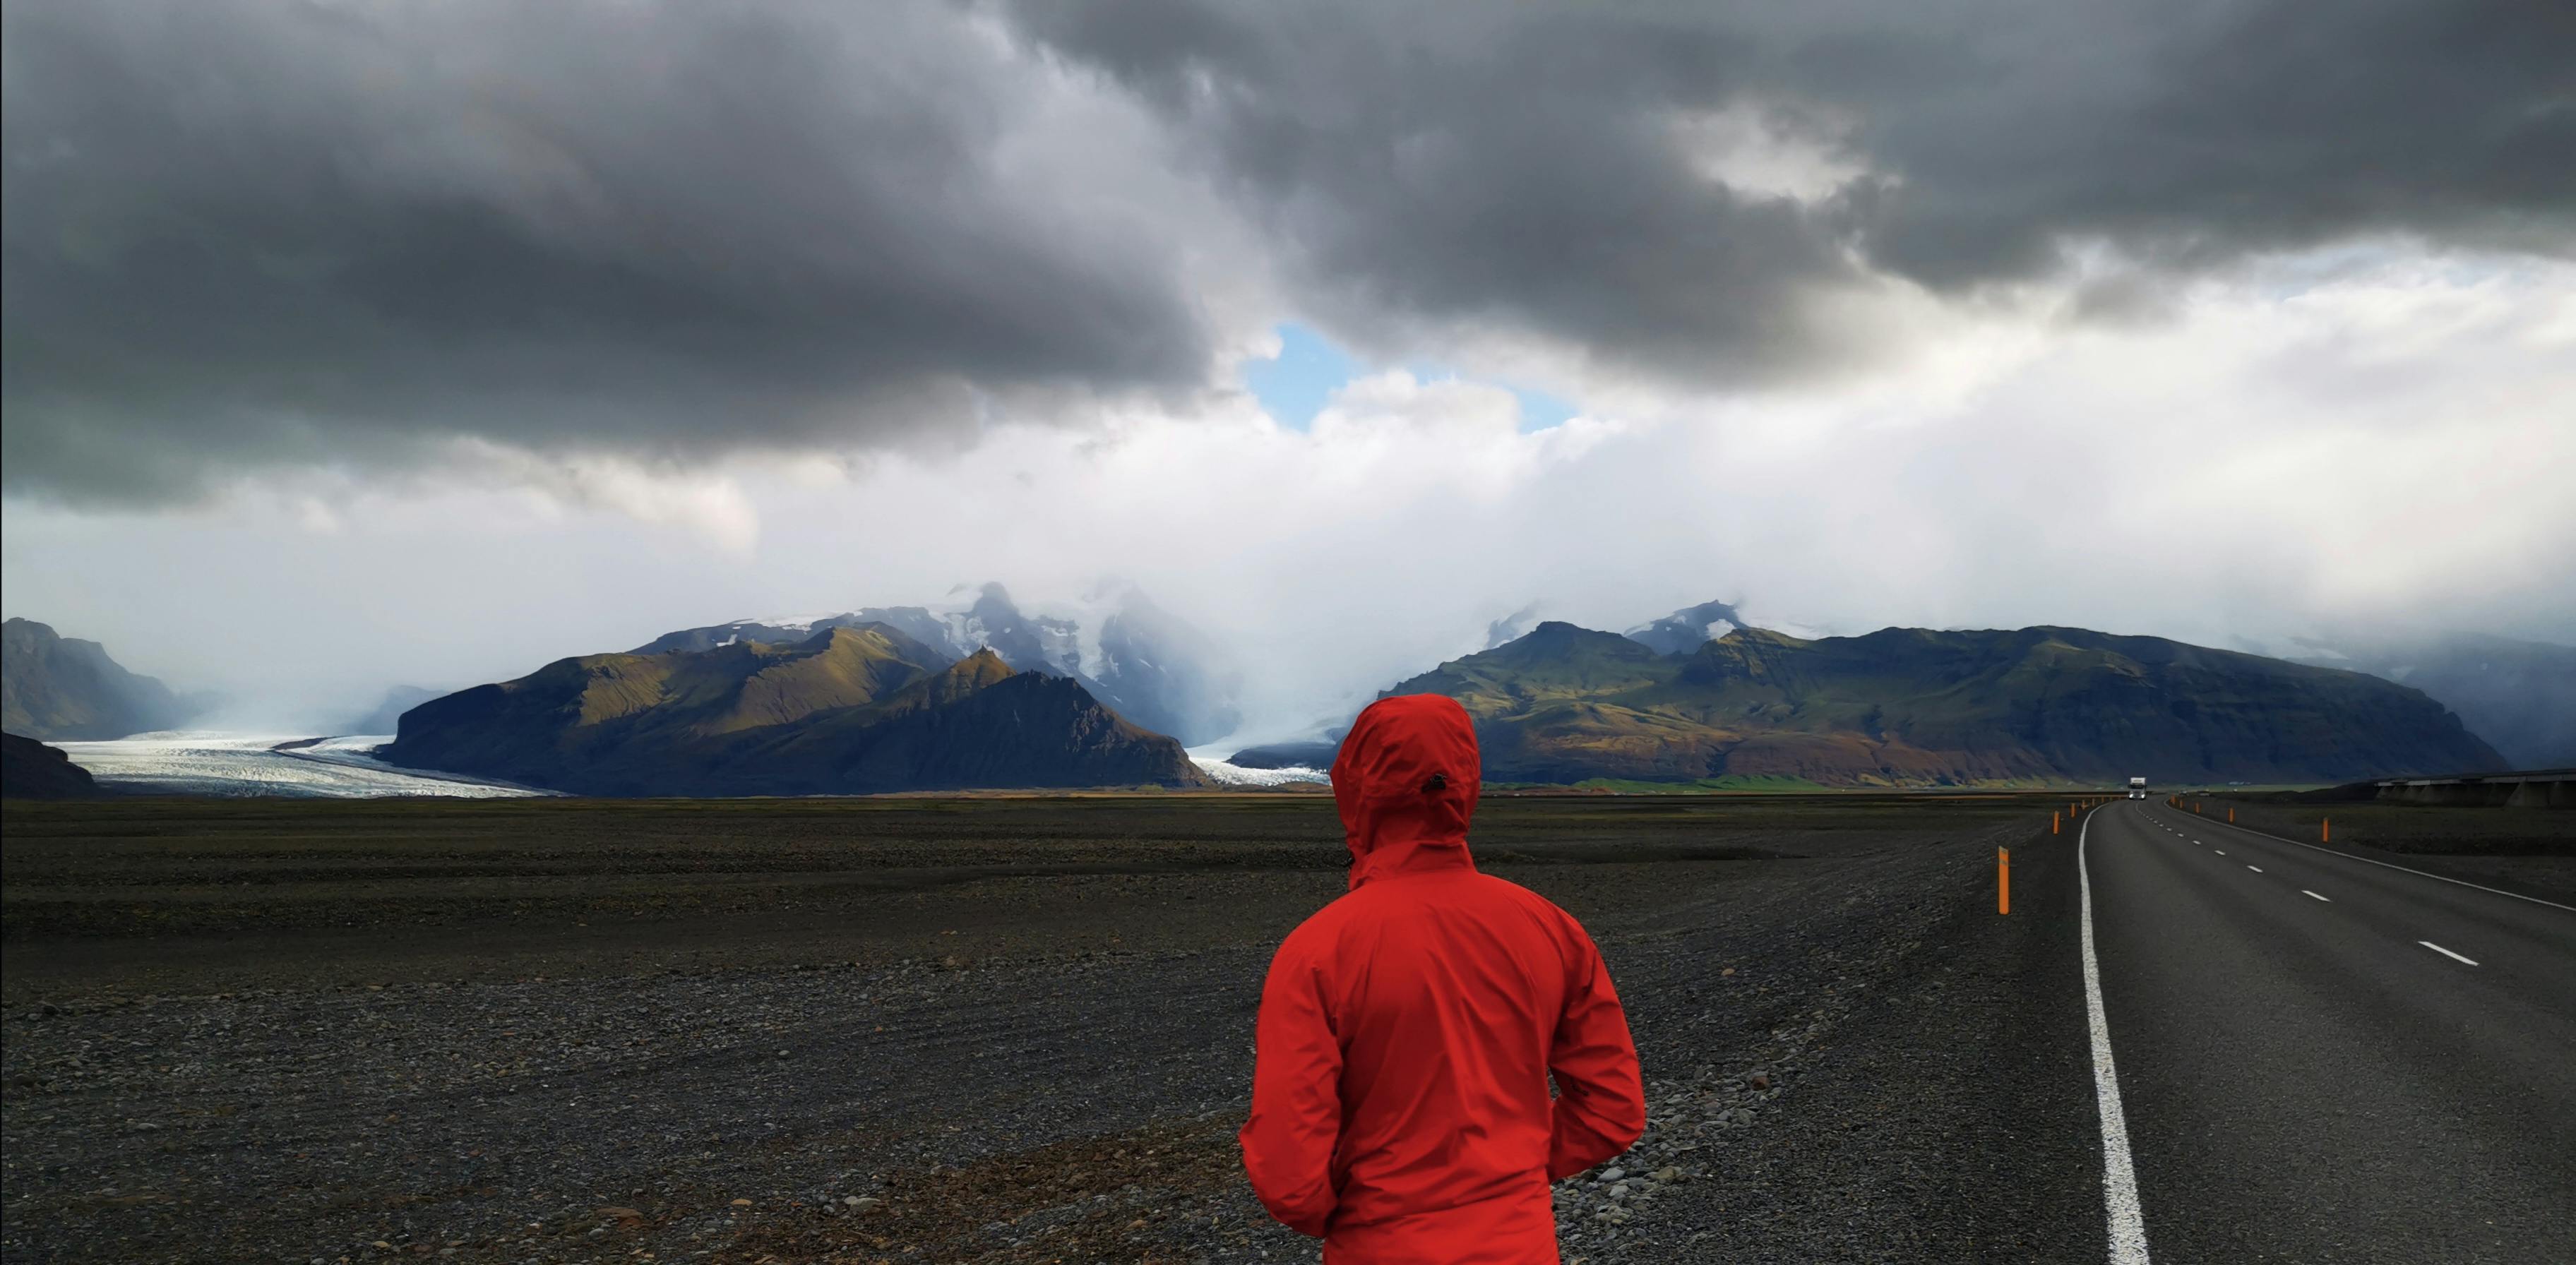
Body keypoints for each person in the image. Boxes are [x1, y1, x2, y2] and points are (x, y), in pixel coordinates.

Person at [1239, 694, 1646, 1263]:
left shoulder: (1317, 951)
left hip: (1380, 1245)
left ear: (1355, 789)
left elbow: (1289, 1172)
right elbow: (1613, 1108)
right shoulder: (1551, 928)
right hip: (1520, 1242)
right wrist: (1510, 1170)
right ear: (1466, 782)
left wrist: (1367, 1209)